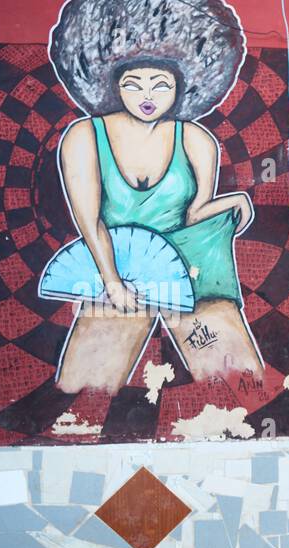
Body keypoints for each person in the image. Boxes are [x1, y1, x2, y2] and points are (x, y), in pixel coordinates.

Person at [47, 0, 263, 393]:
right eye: (134, 84)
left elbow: (193, 214)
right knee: (83, 389)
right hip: (119, 271)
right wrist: (112, 283)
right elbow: (89, 219)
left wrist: (232, 204)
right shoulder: (84, 136)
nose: (147, 95)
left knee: (239, 381)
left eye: (161, 84)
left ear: (182, 86)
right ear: (113, 84)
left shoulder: (196, 140)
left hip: (190, 270)